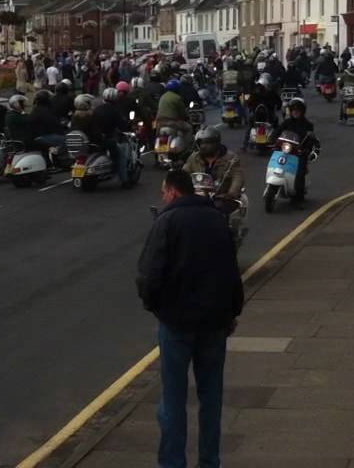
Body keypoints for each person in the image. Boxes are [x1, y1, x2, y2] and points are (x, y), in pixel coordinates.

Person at [136, 170, 243, 468]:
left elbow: (148, 275)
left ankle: (173, 463)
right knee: (211, 399)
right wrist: (233, 313)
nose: (162, 197)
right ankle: (210, 461)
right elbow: (231, 272)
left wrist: (156, 307)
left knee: (173, 400)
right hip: (214, 324)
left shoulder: (167, 222)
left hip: (177, 324)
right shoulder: (217, 221)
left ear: (173, 191)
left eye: (163, 191)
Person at [270, 98, 317, 199]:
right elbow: (276, 132)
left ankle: (299, 197)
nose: (295, 112)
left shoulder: (308, 125)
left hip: (298, 152)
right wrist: (272, 140)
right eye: (293, 109)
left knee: (300, 172)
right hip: (285, 150)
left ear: (302, 111)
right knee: (274, 162)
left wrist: (306, 149)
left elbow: (311, 140)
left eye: (298, 110)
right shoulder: (286, 123)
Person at [89, 88, 131, 184]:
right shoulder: (114, 111)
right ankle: (124, 179)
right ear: (115, 98)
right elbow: (122, 125)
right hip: (105, 139)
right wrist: (128, 127)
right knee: (121, 155)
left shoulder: (97, 109)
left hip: (93, 139)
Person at [155, 78, 193, 148]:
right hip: (172, 123)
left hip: (160, 123)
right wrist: (187, 118)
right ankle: (188, 146)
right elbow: (183, 113)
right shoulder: (177, 98)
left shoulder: (162, 97)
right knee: (189, 128)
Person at [30, 90, 68, 158]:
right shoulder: (46, 111)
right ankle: (58, 154)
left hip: (38, 135)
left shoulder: (36, 109)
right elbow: (54, 125)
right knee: (68, 140)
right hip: (43, 136)